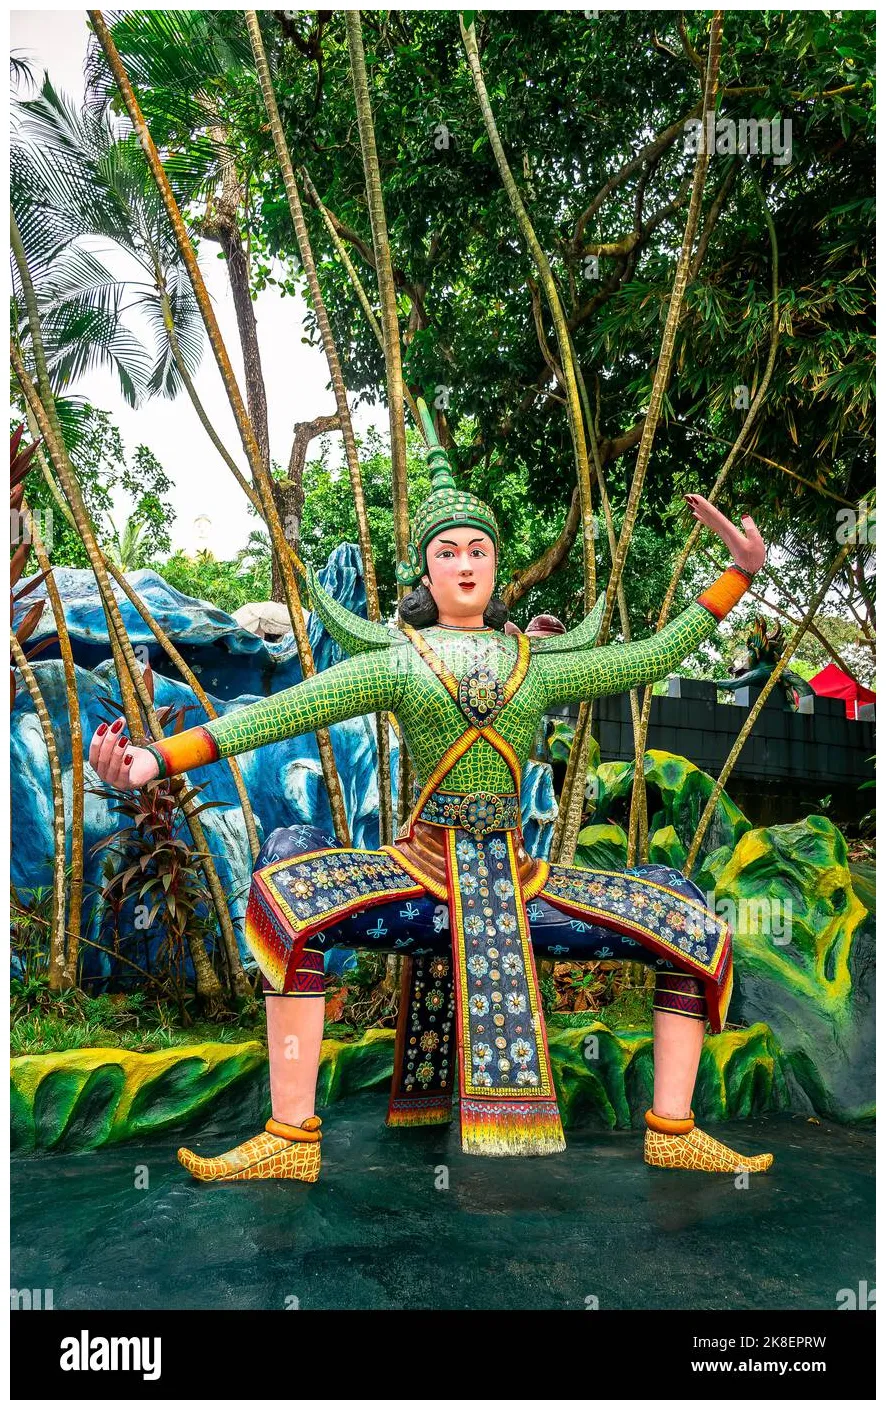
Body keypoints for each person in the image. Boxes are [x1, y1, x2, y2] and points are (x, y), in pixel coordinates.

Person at [89, 400, 772, 1183]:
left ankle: (672, 1127)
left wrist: (738, 576)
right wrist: (151, 761)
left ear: (495, 566)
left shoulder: (541, 662)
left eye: (479, 548)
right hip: (420, 875)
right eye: (449, 551)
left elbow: (651, 655)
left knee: (684, 912)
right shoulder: (398, 658)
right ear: (428, 572)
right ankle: (289, 1134)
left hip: (522, 883)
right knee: (285, 886)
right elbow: (278, 714)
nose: (466, 562)